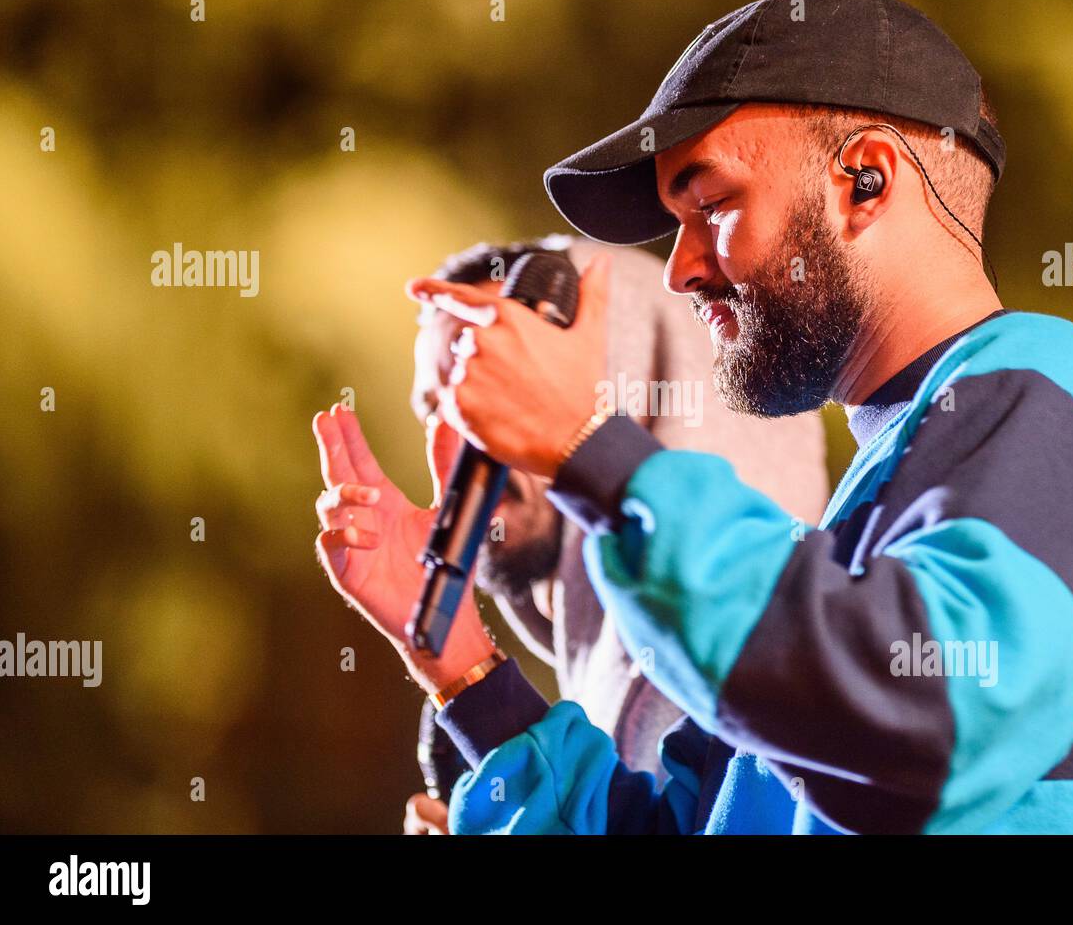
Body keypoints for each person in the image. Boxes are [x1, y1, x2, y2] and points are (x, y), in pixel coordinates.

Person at [324, 0, 1073, 834]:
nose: (679, 270)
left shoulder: (1053, 384)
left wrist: (592, 452)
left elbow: (935, 717)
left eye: (712, 204)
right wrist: (461, 666)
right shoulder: (857, 539)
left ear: (865, 180)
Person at [312, 236, 826, 834]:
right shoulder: (597, 697)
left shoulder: (799, 661)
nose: (467, 440)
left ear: (639, 387)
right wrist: (454, 656)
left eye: (497, 390)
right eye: (440, 410)